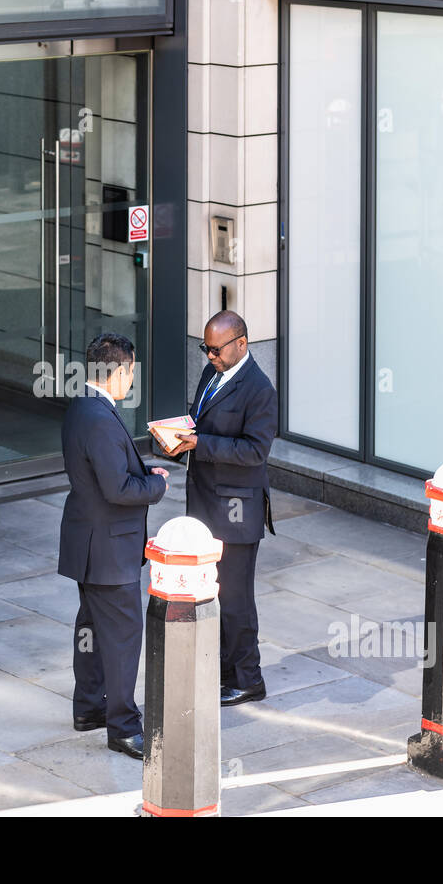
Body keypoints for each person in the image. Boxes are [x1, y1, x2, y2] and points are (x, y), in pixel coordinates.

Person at [58, 333, 170, 758]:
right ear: (120, 371)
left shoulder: (81, 407)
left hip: (88, 544)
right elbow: (118, 488)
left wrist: (142, 471)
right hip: (109, 551)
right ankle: (123, 726)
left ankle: (88, 707)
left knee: (90, 627)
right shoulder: (101, 419)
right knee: (123, 636)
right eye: (131, 372)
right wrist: (155, 484)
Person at [171, 310, 278, 706]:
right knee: (210, 594)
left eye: (215, 350)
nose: (209, 357)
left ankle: (248, 678)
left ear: (241, 344)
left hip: (237, 510)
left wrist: (202, 444)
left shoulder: (259, 390)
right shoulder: (211, 374)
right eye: (205, 348)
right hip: (204, 501)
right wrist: (180, 436)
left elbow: (255, 451)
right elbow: (201, 422)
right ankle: (221, 671)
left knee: (235, 598)